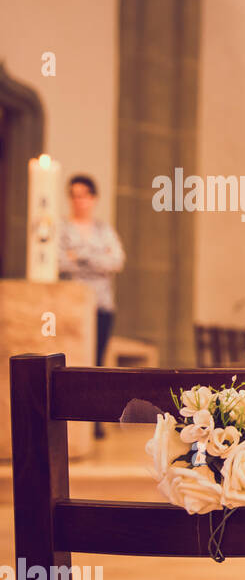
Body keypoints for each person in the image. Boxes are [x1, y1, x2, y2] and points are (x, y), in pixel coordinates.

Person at [58, 174, 125, 435]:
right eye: (74, 195)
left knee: (96, 362)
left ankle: (94, 421)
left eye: (83, 195)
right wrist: (97, 256)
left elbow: (116, 261)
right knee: (73, 362)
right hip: (72, 305)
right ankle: (72, 421)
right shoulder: (62, 229)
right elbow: (59, 261)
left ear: (93, 199)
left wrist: (80, 255)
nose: (79, 200)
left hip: (101, 305)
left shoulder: (103, 230)